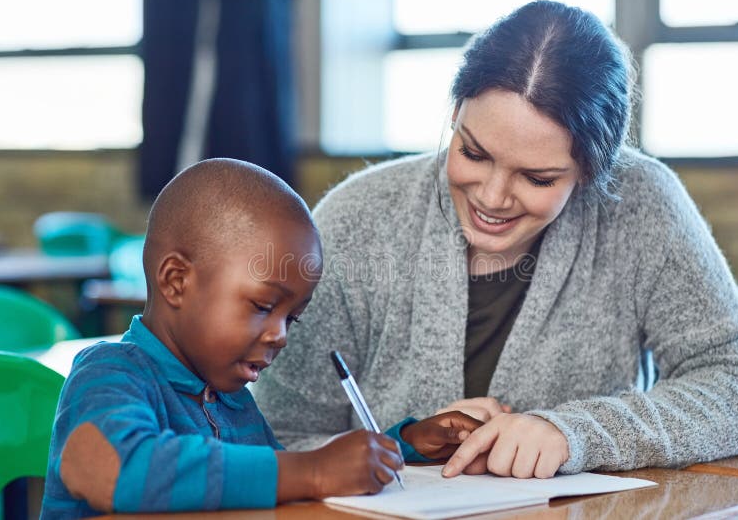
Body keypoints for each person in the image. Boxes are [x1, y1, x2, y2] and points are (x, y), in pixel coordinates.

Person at [254, 0, 738, 480]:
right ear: (454, 114)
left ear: (591, 173)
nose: (493, 197)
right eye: (474, 153)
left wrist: (575, 433)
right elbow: (270, 438)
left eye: (538, 178)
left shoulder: (640, 203)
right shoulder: (358, 219)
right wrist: (402, 446)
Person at [41, 158, 482, 518]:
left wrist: (398, 448)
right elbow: (113, 472)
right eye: (262, 306)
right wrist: (312, 471)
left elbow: (270, 475)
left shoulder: (232, 402)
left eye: (294, 318)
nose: (280, 335)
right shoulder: (110, 373)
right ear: (176, 281)